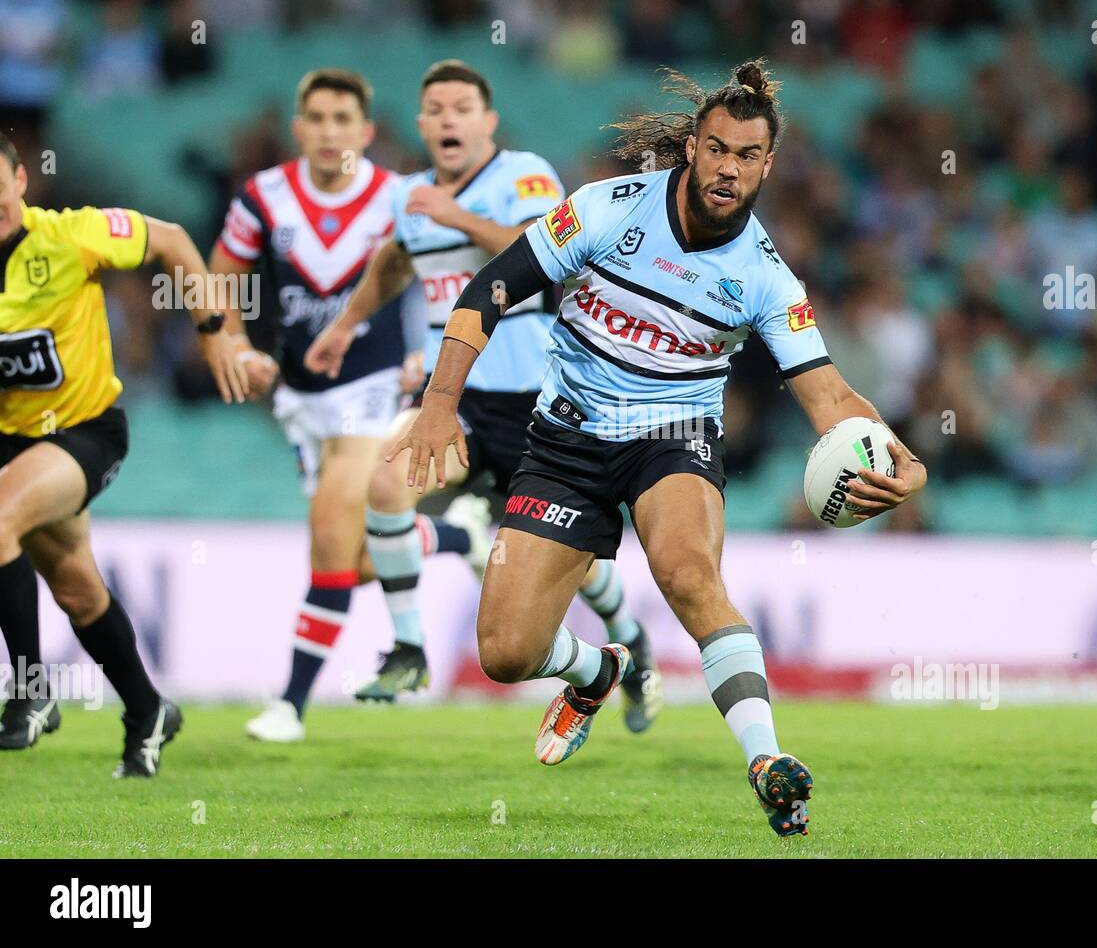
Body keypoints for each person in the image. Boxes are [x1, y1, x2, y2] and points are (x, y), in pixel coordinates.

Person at [389, 60, 926, 836]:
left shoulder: (768, 279)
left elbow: (831, 399)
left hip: (673, 438)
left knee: (687, 573)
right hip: (567, 437)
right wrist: (439, 406)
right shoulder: (606, 210)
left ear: (767, 167)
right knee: (505, 653)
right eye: (716, 149)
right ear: (692, 148)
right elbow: (490, 290)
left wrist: (902, 460)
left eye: (747, 157)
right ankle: (598, 668)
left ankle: (767, 760)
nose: (728, 168)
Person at [306, 60, 661, 729]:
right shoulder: (410, 195)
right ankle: (409, 647)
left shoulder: (523, 176)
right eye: (435, 108)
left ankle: (633, 643)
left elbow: (542, 257)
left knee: (575, 570)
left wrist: (457, 217)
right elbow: (395, 261)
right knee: (384, 487)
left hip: (540, 402)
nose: (447, 118)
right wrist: (345, 326)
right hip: (457, 401)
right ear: (420, 123)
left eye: (461, 107)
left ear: (487, 121)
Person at [208, 67, 485, 742]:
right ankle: (459, 536)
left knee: (332, 540)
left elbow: (447, 276)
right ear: (299, 128)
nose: (330, 132)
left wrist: (427, 346)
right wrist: (235, 345)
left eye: (343, 121)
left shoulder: (398, 197)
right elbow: (220, 277)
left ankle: (291, 706)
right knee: (352, 558)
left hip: (375, 389)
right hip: (301, 402)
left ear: (364, 132)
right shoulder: (262, 198)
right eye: (317, 119)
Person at [0, 134, 247, 776]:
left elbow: (172, 242)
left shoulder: (71, 237)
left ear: (21, 181)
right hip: (15, 443)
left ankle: (29, 691)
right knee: (77, 590)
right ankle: (148, 710)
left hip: (84, 433)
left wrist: (213, 332)